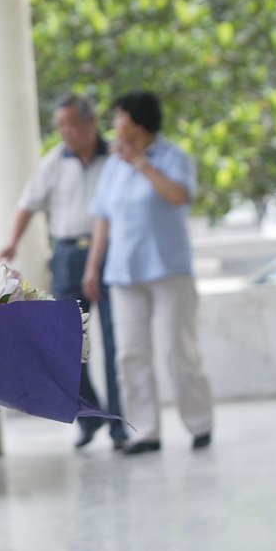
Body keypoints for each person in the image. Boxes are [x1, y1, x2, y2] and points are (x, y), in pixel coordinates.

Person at [83, 91, 214, 455]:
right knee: (130, 354)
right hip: (124, 272)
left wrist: (141, 164)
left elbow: (178, 196)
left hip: (168, 269)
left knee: (177, 349)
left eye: (119, 117)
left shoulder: (173, 157)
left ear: (137, 122)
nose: (114, 125)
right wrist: (93, 266)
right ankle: (145, 432)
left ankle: (200, 424)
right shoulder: (113, 166)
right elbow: (103, 218)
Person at [0, 94, 127, 450]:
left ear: (90, 122)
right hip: (67, 256)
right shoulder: (54, 161)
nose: (66, 132)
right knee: (66, 344)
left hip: (109, 253)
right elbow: (28, 204)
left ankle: (119, 426)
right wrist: (12, 243)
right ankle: (89, 417)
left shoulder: (114, 158)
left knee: (115, 343)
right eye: (61, 125)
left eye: (72, 124)